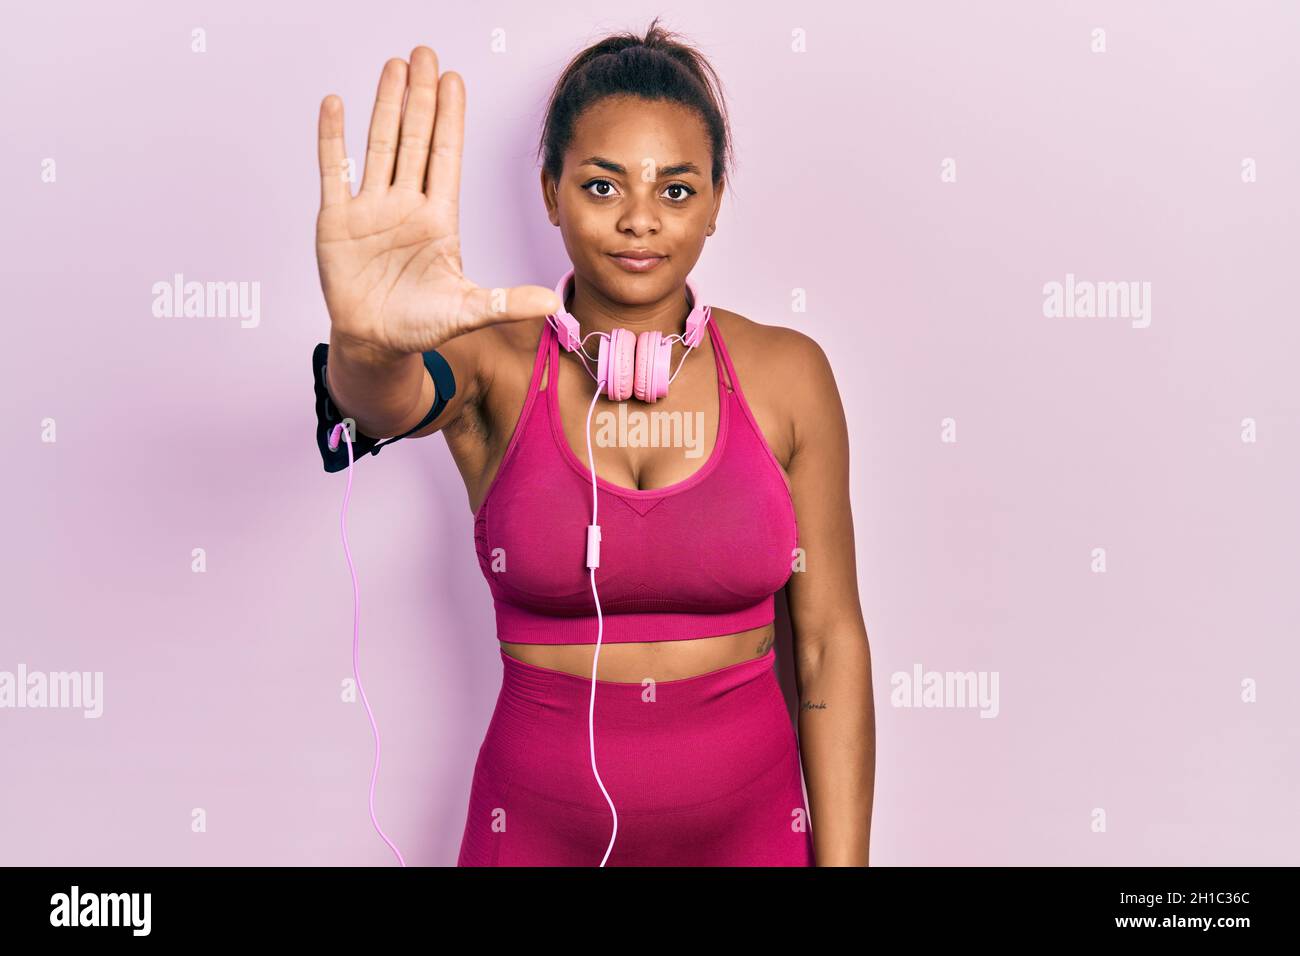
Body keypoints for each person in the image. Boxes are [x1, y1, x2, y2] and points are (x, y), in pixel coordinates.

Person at [313, 19, 875, 866]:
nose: (641, 221)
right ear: (550, 191)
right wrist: (366, 341)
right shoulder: (493, 361)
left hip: (754, 839)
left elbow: (830, 644)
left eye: (677, 190)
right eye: (603, 187)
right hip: (531, 835)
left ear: (718, 199)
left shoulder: (788, 375)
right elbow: (381, 404)